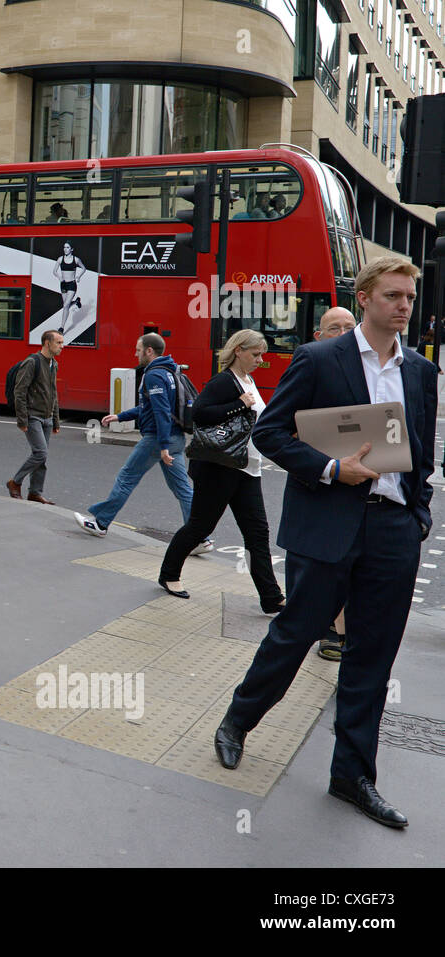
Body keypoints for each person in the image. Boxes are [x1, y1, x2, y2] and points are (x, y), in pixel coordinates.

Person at [214, 257, 436, 829]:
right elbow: (269, 434)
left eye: (410, 296)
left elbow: (421, 454)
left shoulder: (419, 370)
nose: (404, 305)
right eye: (393, 295)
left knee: (373, 653)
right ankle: (239, 720)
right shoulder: (319, 359)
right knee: (294, 633)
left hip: (392, 529)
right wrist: (333, 469)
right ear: (364, 298)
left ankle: (352, 776)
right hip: (329, 521)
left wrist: (418, 516)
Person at [157, 329, 286, 611]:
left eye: (261, 354)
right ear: (238, 350)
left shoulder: (248, 380)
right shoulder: (224, 382)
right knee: (201, 525)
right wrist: (239, 404)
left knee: (257, 533)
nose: (260, 360)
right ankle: (169, 575)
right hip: (220, 468)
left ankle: (271, 597)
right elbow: (199, 414)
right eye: (255, 354)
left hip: (247, 469)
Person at [74, 333, 209, 553]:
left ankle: (100, 522)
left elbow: (161, 411)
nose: (135, 354)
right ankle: (201, 537)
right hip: (176, 437)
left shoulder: (154, 375)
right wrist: (120, 416)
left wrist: (163, 446)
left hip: (157, 439)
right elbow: (149, 408)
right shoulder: (170, 371)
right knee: (183, 489)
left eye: (138, 350)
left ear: (149, 351)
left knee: (127, 478)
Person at [310, 306, 357, 660]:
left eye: (348, 327)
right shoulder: (312, 364)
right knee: (330, 570)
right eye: (333, 328)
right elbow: (279, 431)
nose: (342, 333)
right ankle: (330, 630)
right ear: (319, 336)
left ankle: (343, 633)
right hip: (326, 485)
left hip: (372, 489)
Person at [7, 330, 63, 504]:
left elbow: (53, 393)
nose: (62, 346)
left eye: (62, 343)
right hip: (33, 416)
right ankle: (15, 482)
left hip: (46, 417)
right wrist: (22, 419)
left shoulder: (54, 363)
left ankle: (35, 493)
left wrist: (55, 419)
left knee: (42, 457)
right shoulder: (32, 362)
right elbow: (20, 391)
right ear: (47, 343)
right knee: (40, 452)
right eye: (59, 343)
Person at [54, 243, 86, 332]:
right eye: (64, 247)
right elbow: (54, 271)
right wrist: (59, 277)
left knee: (66, 305)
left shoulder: (76, 260)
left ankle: (61, 327)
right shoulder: (60, 259)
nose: (65, 249)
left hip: (72, 284)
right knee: (65, 305)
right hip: (63, 284)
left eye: (67, 247)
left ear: (72, 249)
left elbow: (84, 268)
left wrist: (79, 276)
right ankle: (76, 301)